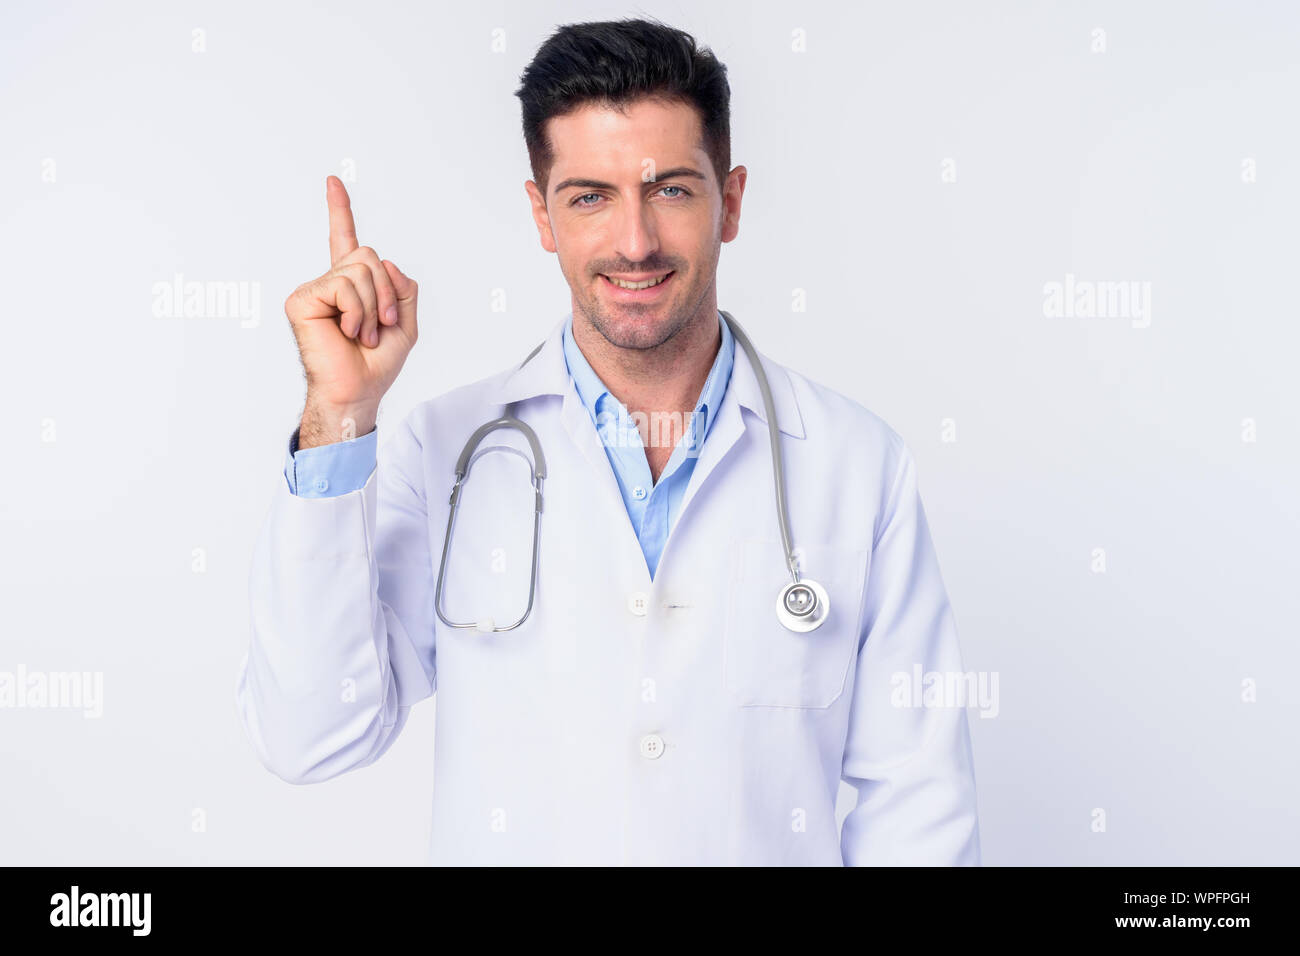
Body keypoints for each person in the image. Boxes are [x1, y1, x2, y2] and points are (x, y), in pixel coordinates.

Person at [236, 17, 981, 866]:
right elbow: (309, 735)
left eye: (670, 189)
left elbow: (919, 809)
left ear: (730, 201)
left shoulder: (856, 466)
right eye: (589, 196)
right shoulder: (444, 452)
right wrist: (338, 415)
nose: (634, 242)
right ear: (542, 215)